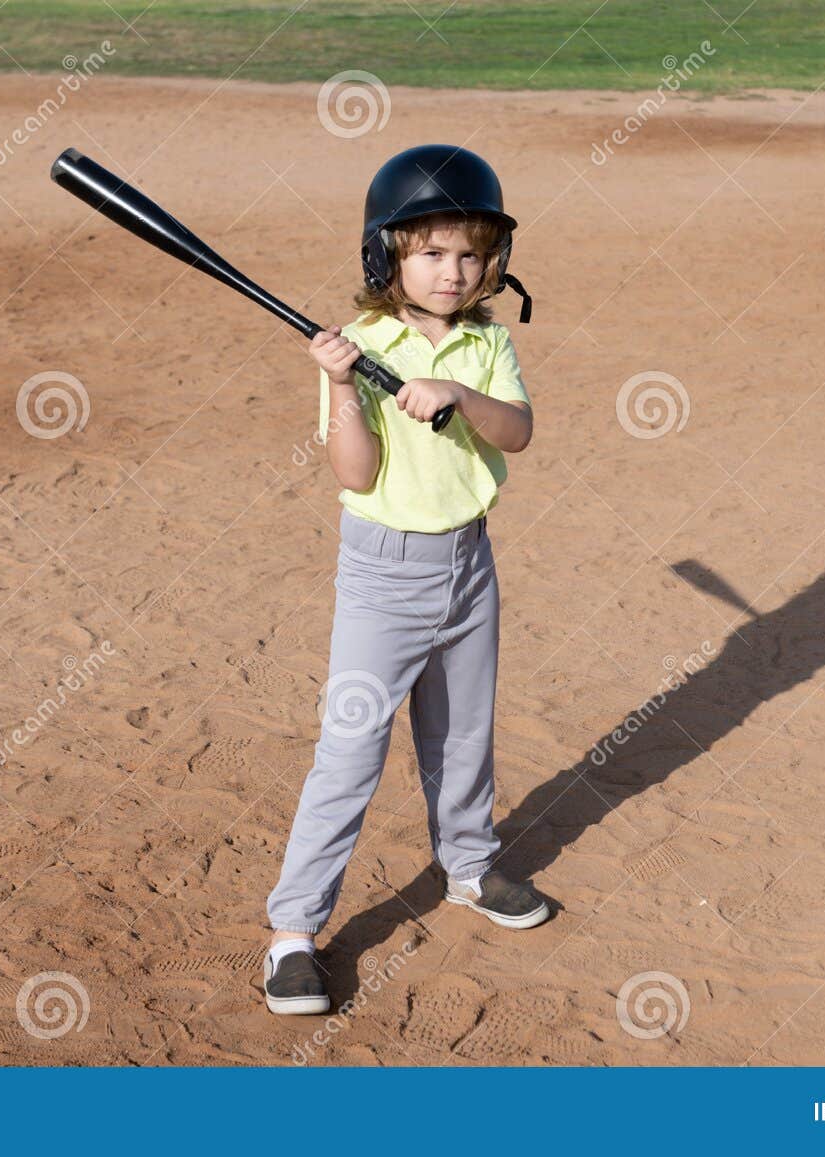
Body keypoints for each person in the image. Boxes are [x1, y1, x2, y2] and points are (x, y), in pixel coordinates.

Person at [262, 144, 548, 1015]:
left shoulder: (487, 342)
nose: (452, 270)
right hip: (384, 574)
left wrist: (454, 391)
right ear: (387, 253)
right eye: (430, 252)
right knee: (350, 749)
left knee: (462, 735)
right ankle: (294, 933)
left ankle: (467, 866)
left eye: (469, 253)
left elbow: (519, 432)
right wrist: (344, 387)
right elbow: (353, 472)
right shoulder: (364, 344)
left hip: (469, 562)